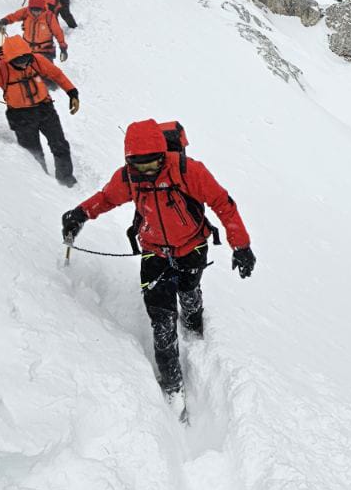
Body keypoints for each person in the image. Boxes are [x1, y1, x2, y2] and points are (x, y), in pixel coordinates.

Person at [61, 119, 255, 405]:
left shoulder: (189, 171)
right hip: (154, 251)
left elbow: (223, 204)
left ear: (163, 155)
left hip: (192, 246)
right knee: (161, 321)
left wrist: (241, 245)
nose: (146, 172)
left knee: (189, 291)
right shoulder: (129, 177)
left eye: (152, 165)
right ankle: (173, 385)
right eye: (139, 165)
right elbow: (106, 199)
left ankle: (193, 323)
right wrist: (80, 213)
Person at [0, 36, 80, 186]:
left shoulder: (36, 60)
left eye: (26, 59)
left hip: (45, 108)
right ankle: (42, 185)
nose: (23, 63)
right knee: (32, 153)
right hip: (20, 116)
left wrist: (72, 93)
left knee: (59, 144)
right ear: (9, 59)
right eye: (18, 61)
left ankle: (66, 180)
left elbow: (56, 74)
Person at [0, 0, 68, 61]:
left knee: (46, 71)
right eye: (33, 10)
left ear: (43, 8)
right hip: (27, 49)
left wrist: (63, 48)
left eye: (38, 10)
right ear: (30, 8)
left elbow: (58, 32)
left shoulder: (49, 16)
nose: (36, 13)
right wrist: (4, 21)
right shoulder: (25, 12)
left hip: (45, 51)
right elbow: (14, 16)